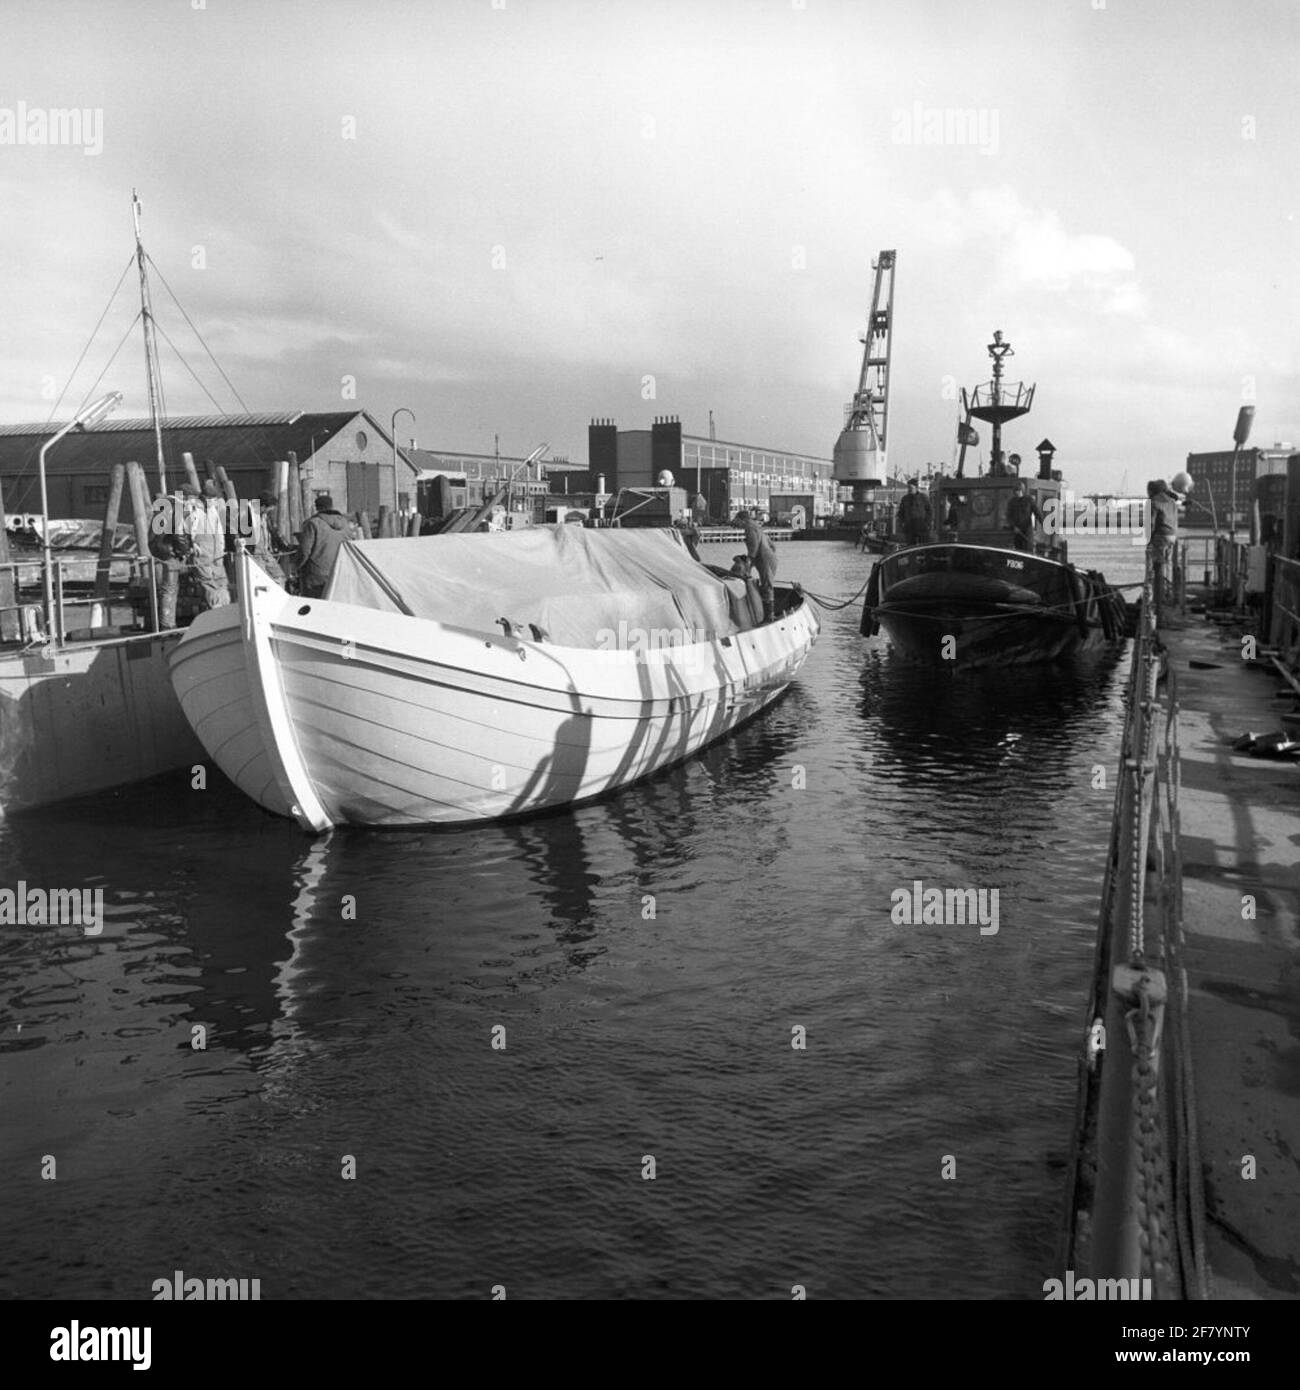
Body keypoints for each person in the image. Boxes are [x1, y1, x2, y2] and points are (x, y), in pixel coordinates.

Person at [148, 487, 194, 628]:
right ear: (185, 496)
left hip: (160, 550)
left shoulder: (164, 505)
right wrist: (185, 551)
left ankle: (165, 621)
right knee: (170, 588)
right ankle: (168, 624)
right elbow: (178, 533)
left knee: (166, 588)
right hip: (170, 552)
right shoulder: (177, 508)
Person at [297, 493, 351, 598]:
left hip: (316, 574)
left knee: (315, 606)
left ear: (316, 507)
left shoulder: (312, 524)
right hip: (339, 570)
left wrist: (297, 566)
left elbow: (305, 551)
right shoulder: (345, 524)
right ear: (331, 505)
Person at [190, 479, 230, 610]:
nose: (214, 502)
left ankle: (225, 606)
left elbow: (219, 530)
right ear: (206, 498)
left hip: (217, 551)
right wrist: (192, 544)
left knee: (221, 580)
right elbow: (189, 529)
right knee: (208, 581)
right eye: (212, 499)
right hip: (202, 551)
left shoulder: (213, 510)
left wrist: (222, 546)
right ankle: (216, 609)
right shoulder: (194, 509)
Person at [1147, 478, 1180, 628]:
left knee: (1156, 569)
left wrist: (1148, 540)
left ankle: (1157, 603)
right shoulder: (1172, 501)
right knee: (1165, 567)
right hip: (1172, 536)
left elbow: (1152, 523)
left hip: (1160, 536)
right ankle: (1165, 596)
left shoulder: (1154, 501)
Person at [741, 509, 777, 622]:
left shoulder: (749, 527)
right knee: (766, 584)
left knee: (767, 585)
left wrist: (748, 563)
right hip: (768, 558)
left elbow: (753, 547)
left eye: (737, 521)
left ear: (742, 520)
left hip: (765, 558)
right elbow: (772, 545)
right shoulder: (756, 526)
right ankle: (768, 613)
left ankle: (769, 616)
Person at [1006, 480, 1042, 552]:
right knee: (1018, 549)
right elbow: (1008, 516)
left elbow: (1037, 512)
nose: (1017, 492)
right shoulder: (1012, 502)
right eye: (1015, 491)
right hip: (1017, 530)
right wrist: (1013, 526)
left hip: (1027, 529)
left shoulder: (1029, 500)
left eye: (1018, 490)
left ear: (1022, 490)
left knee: (1028, 548)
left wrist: (1043, 523)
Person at [896, 479, 932, 546]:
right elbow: (901, 512)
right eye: (908, 488)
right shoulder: (905, 499)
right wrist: (901, 523)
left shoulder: (923, 497)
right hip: (909, 527)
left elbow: (929, 511)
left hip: (921, 526)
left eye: (911, 488)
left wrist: (927, 523)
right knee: (910, 547)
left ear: (916, 488)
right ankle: (912, 556)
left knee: (924, 546)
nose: (909, 489)